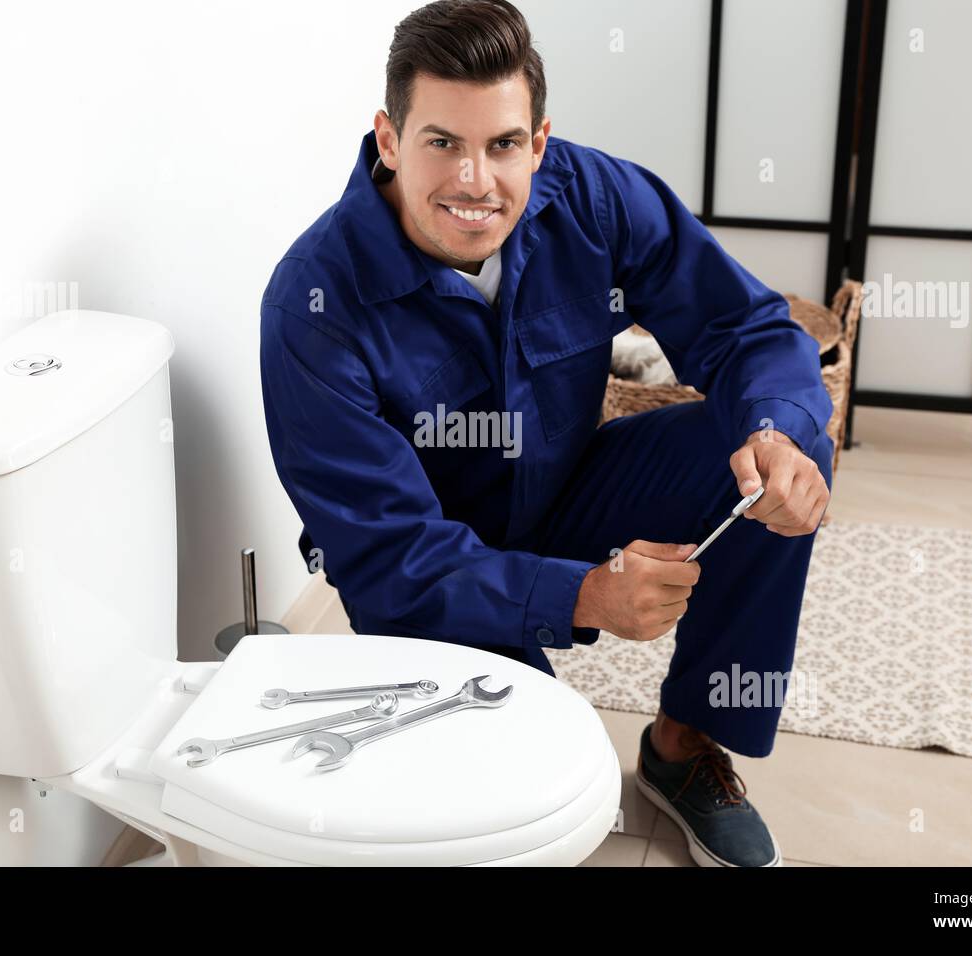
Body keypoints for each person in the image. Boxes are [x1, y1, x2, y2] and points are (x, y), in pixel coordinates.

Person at [259, 0, 833, 867]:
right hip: (433, 572)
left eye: (503, 145)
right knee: (526, 799)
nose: (475, 182)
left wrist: (781, 433)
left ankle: (684, 748)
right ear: (388, 138)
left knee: (776, 448)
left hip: (569, 486)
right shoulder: (313, 306)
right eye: (442, 142)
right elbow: (391, 556)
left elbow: (747, 328)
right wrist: (581, 597)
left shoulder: (595, 197)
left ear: (539, 140)